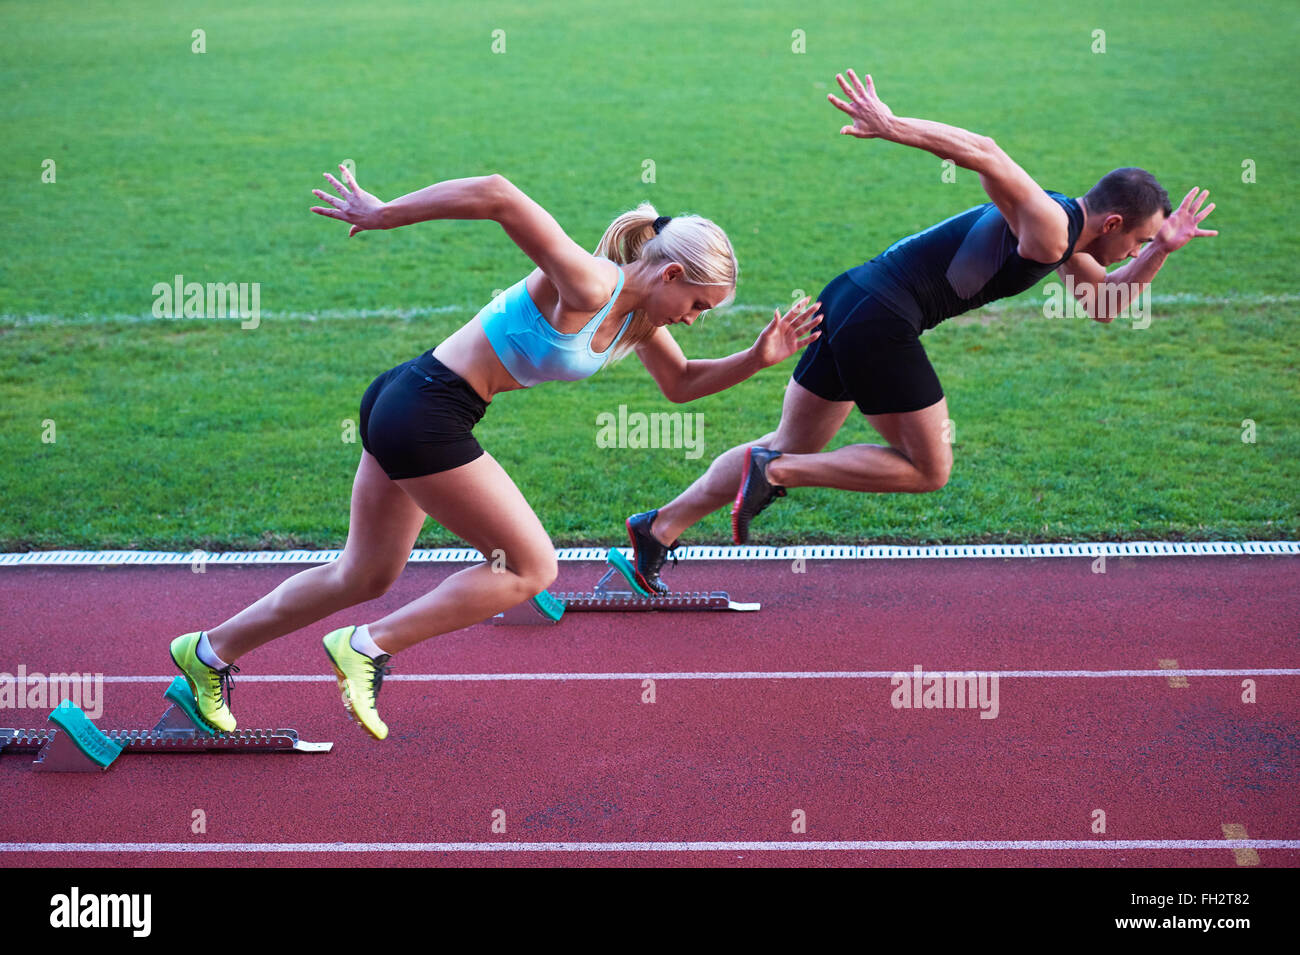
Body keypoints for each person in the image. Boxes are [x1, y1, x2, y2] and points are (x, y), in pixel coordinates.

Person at [167, 166, 822, 739]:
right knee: (530, 567)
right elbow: (497, 194)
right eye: (698, 304)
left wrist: (759, 358)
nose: (693, 318)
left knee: (363, 574)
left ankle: (208, 652)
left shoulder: (635, 316)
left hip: (407, 398)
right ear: (672, 272)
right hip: (426, 411)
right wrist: (382, 213)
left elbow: (681, 386)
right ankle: (367, 647)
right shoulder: (592, 285)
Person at [625, 68, 1217, 593]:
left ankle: (659, 528)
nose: (1129, 253)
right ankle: (776, 475)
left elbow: (1106, 303)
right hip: (884, 318)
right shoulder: (1049, 224)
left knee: (791, 437)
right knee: (928, 469)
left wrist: (1160, 251)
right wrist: (891, 124)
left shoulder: (1060, 233)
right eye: (1136, 241)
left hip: (852, 296)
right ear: (1113, 222)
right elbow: (985, 151)